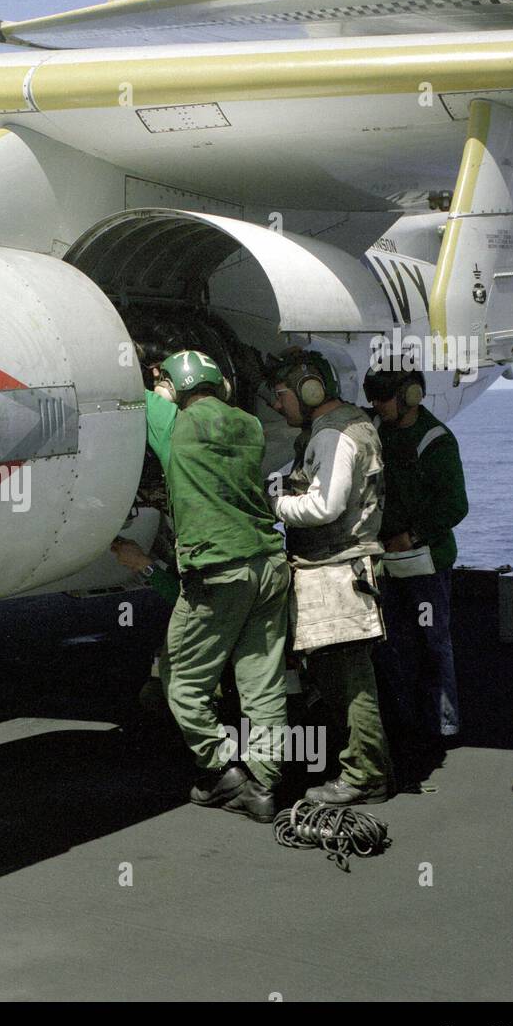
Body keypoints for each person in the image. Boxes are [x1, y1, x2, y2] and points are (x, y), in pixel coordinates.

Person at [131, 349, 291, 823]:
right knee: (262, 682)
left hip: (216, 572)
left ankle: (222, 772)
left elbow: (124, 392)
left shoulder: (175, 424)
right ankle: (264, 784)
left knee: (181, 683)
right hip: (267, 564)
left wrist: (154, 384)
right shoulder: (251, 426)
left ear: (177, 389)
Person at [271, 351, 393, 806]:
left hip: (337, 570)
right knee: (340, 676)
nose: (278, 406)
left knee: (349, 680)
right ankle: (361, 766)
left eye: (282, 396)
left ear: (309, 389)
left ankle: (366, 776)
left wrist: (276, 506)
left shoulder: (334, 436)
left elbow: (325, 507)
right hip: (342, 568)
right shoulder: (354, 423)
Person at [363, 366, 469, 777]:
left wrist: (413, 535)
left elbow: (456, 505)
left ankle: (442, 725)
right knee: (391, 643)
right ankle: (402, 722)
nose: (375, 406)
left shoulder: (436, 442)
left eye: (383, 398)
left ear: (409, 396)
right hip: (388, 558)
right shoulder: (376, 425)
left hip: (424, 560)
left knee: (433, 644)